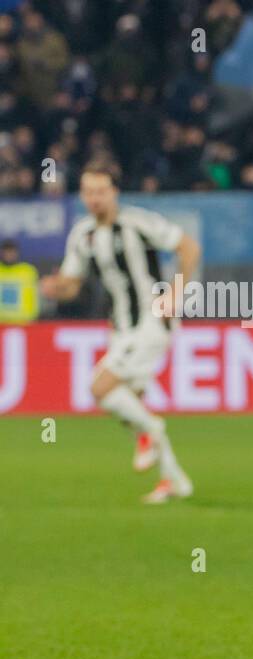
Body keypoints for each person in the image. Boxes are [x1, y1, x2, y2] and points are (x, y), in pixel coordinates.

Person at [39, 160, 200, 503]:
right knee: (129, 404)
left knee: (101, 388)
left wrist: (175, 294)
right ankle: (174, 481)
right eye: (88, 192)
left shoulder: (139, 222)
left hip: (152, 320)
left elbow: (189, 248)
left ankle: (153, 431)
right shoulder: (83, 235)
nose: (94, 199)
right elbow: (73, 284)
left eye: (101, 191)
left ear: (114, 193)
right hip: (121, 327)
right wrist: (56, 287)